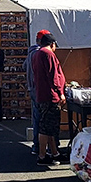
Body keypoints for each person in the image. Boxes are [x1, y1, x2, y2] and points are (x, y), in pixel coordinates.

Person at [32, 32, 66, 166]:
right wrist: (60, 92)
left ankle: (55, 152)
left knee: (49, 126)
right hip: (50, 95)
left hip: (42, 93)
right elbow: (53, 76)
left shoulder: (37, 54)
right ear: (52, 44)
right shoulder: (48, 54)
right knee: (46, 127)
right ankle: (42, 155)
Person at [23, 29, 47, 155]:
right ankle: (40, 147)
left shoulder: (30, 53)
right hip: (40, 89)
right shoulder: (40, 53)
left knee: (36, 117)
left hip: (32, 88)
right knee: (43, 119)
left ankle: (36, 145)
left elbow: (24, 66)